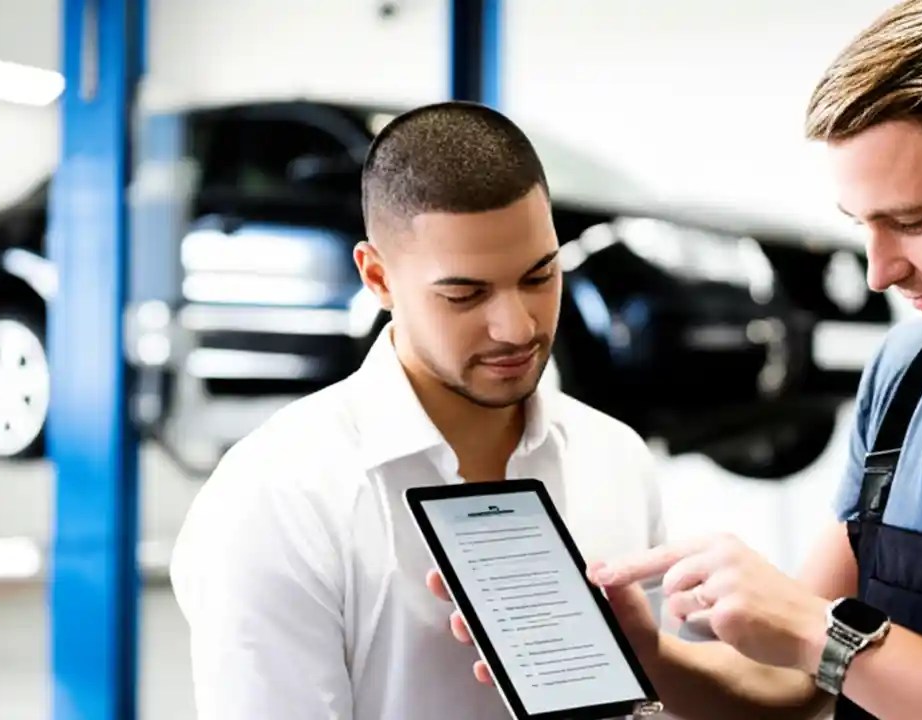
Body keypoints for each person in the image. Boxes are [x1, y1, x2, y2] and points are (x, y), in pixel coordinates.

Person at [430, 1, 922, 717]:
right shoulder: (912, 369)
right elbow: (796, 689)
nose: (880, 271)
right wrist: (651, 657)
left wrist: (829, 636)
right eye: (862, 224)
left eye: (912, 221)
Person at [169, 101, 667, 719]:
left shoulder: (614, 457)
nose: (516, 327)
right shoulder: (276, 497)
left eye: (540, 277)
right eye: (465, 293)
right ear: (377, 277)